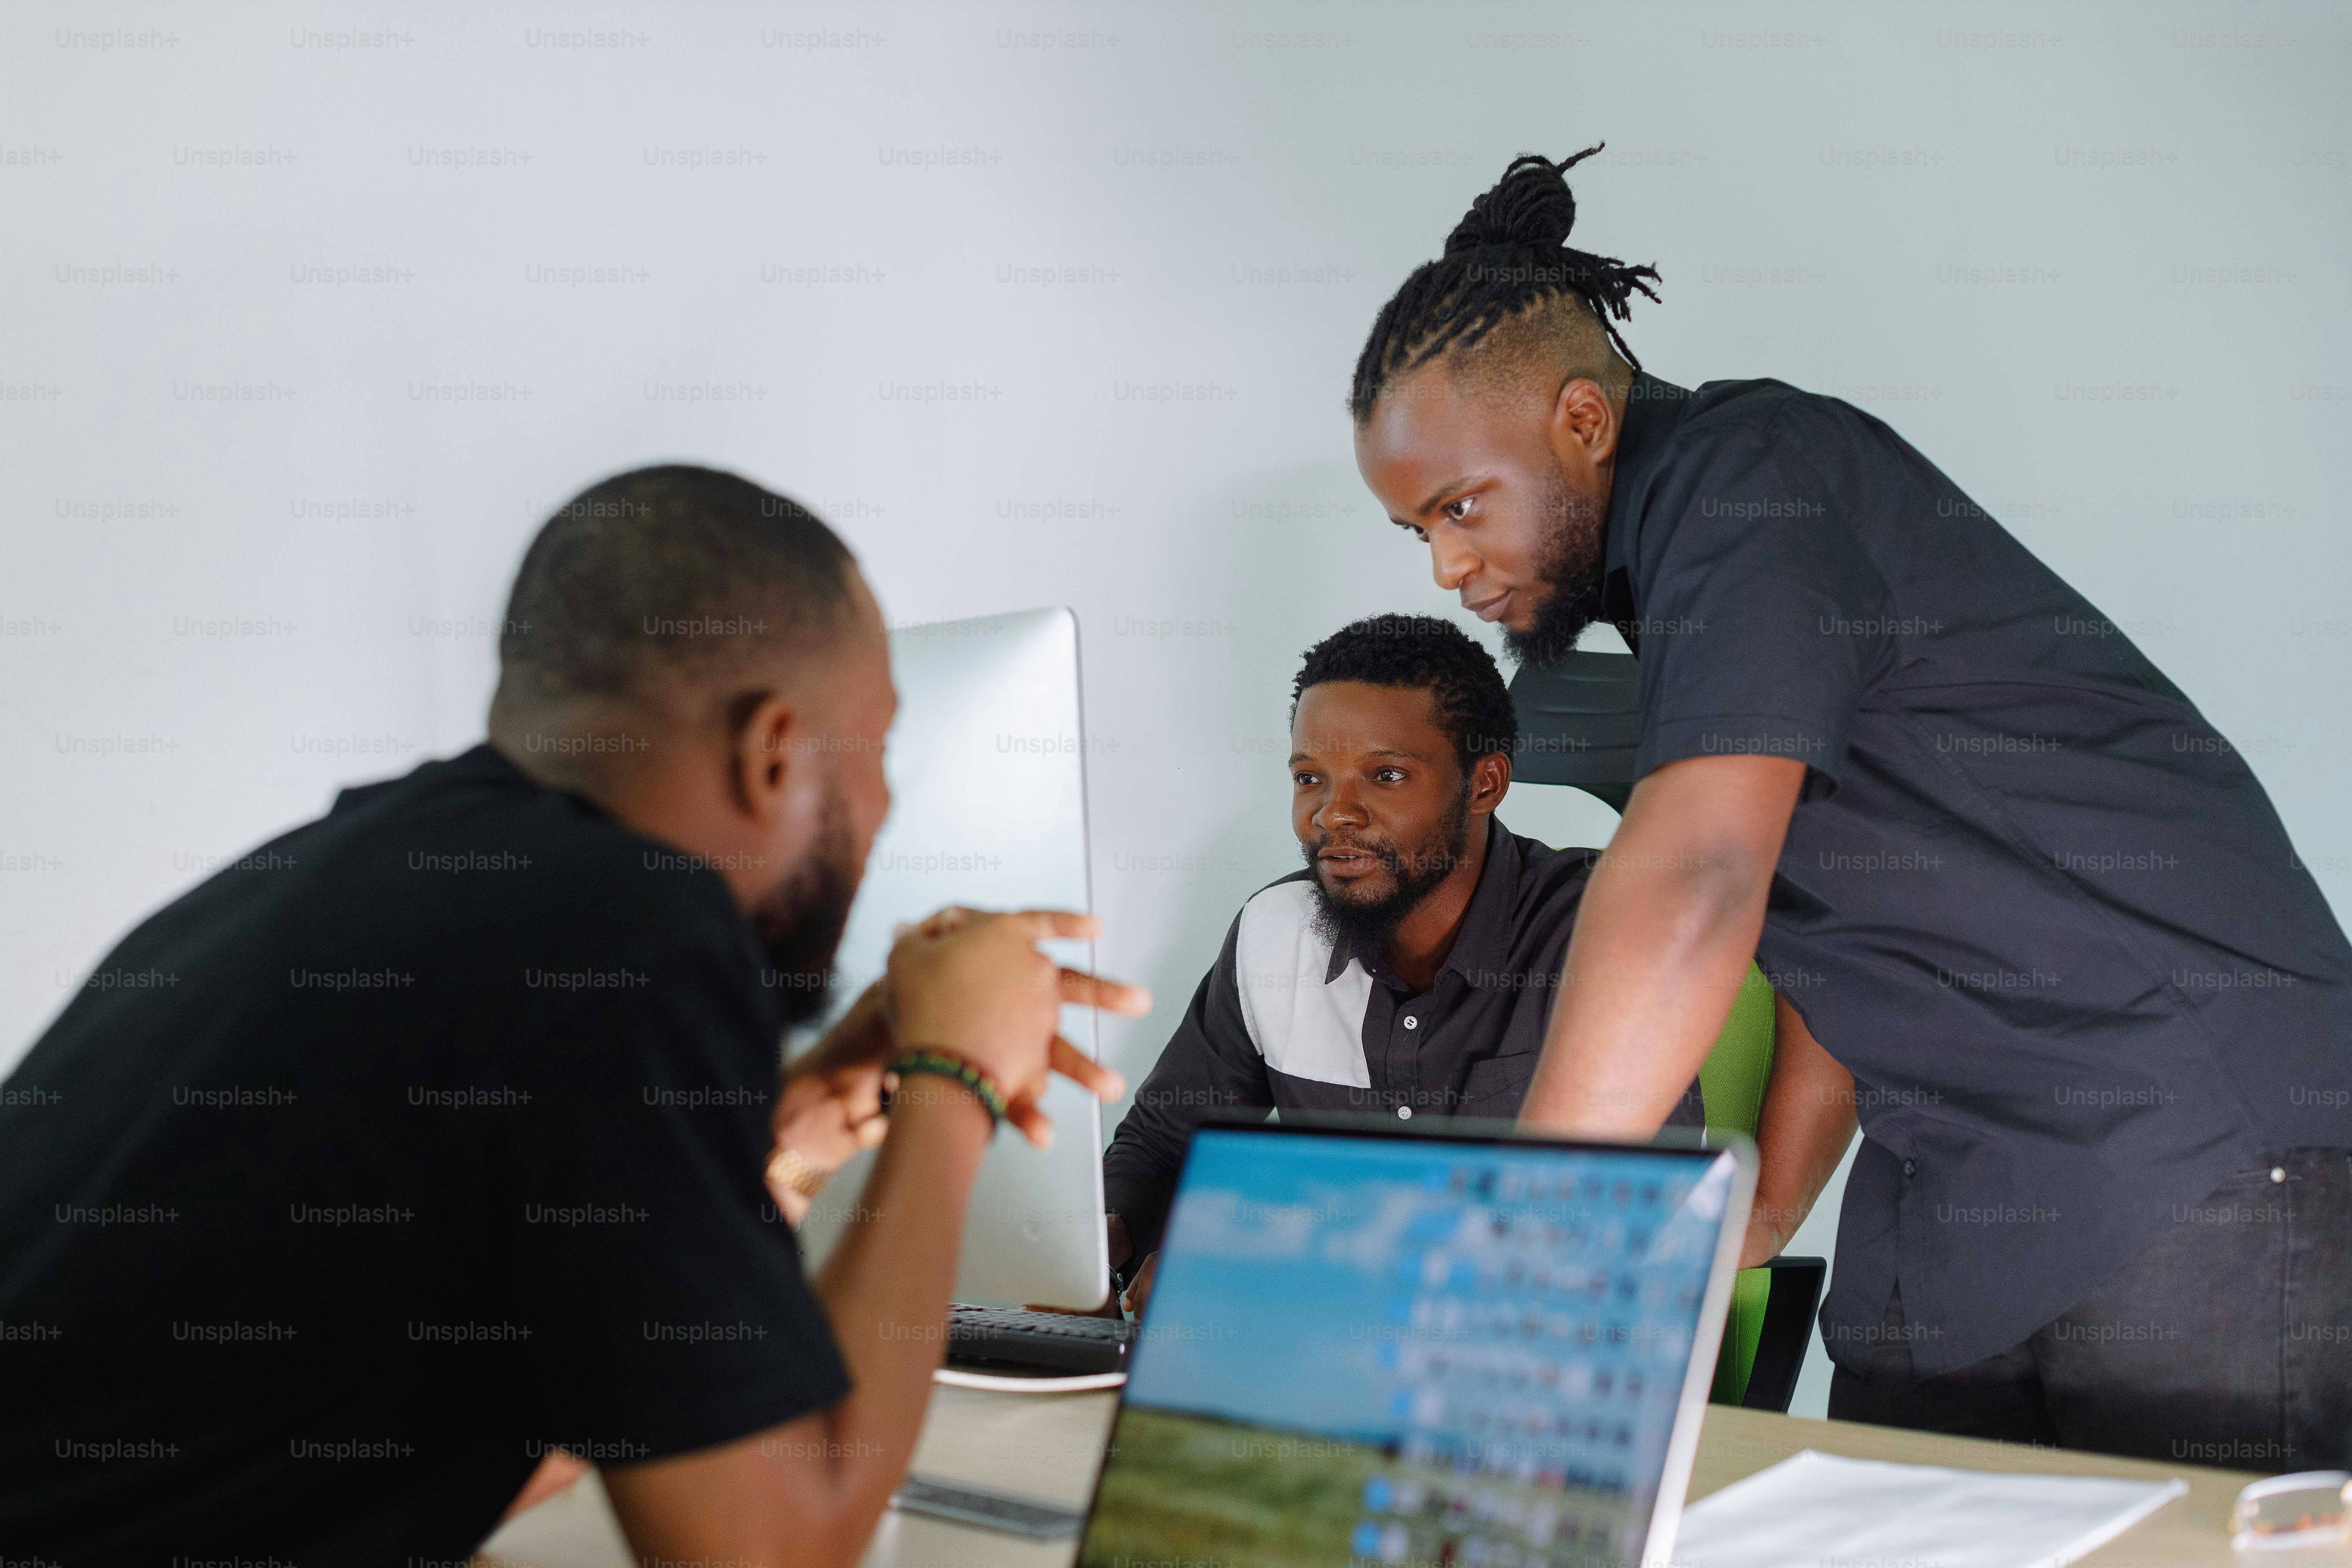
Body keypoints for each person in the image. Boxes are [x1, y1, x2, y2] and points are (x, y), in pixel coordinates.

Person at [1348, 148, 2352, 1463]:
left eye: (1460, 507)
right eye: (1415, 532)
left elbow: (1699, 878)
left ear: (1583, 423)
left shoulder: (1753, 474)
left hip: (2183, 1122)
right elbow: (1827, 920)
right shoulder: (1683, 597)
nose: (1449, 565)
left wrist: (1531, 1236)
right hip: (1957, 1172)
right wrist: (1766, 1206)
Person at [0, 465, 1149, 1563]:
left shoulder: (357, 872)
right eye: (881, 753)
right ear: (773, 752)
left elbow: (529, 1434)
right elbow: (771, 1552)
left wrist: (777, 1148)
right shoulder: (624, 930)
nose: (888, 800)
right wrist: (958, 1080)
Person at [1099, 614, 1703, 1312]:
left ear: (1484, 784)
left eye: (1385, 775)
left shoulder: (1602, 933)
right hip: (1327, 1377)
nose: (1334, 813)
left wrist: (1275, 1257)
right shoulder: (1276, 933)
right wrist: (1101, 1244)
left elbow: (1646, 1221)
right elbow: (1162, 1144)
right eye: (1309, 777)